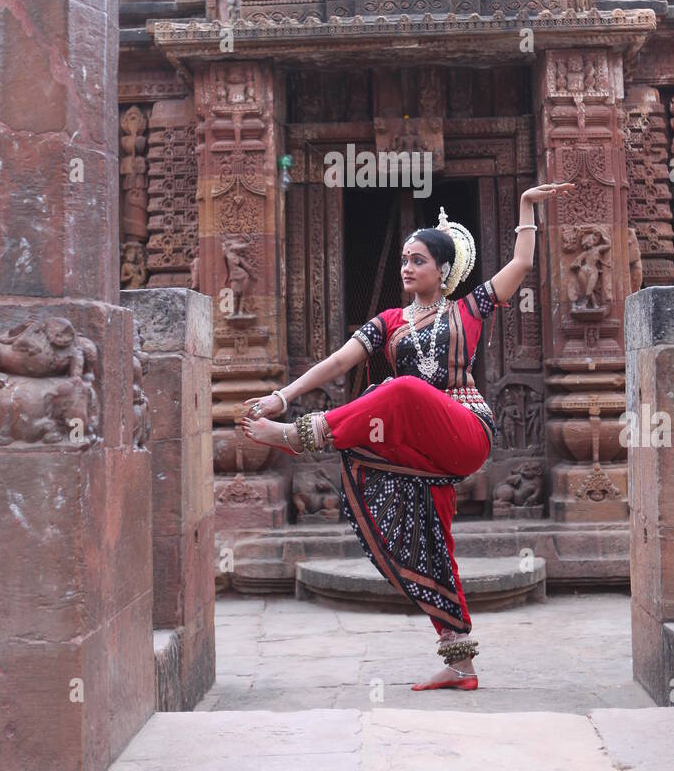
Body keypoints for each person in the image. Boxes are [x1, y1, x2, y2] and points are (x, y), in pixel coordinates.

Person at [241, 182, 573, 690]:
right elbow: (336, 363)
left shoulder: (469, 309)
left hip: (466, 431)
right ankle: (459, 660)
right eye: (402, 260)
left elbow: (521, 265)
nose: (406, 268)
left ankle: (300, 437)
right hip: (419, 450)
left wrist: (526, 206)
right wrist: (281, 396)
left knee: (399, 388)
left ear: (442, 270)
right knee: (430, 545)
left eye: (417, 260)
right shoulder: (389, 322)